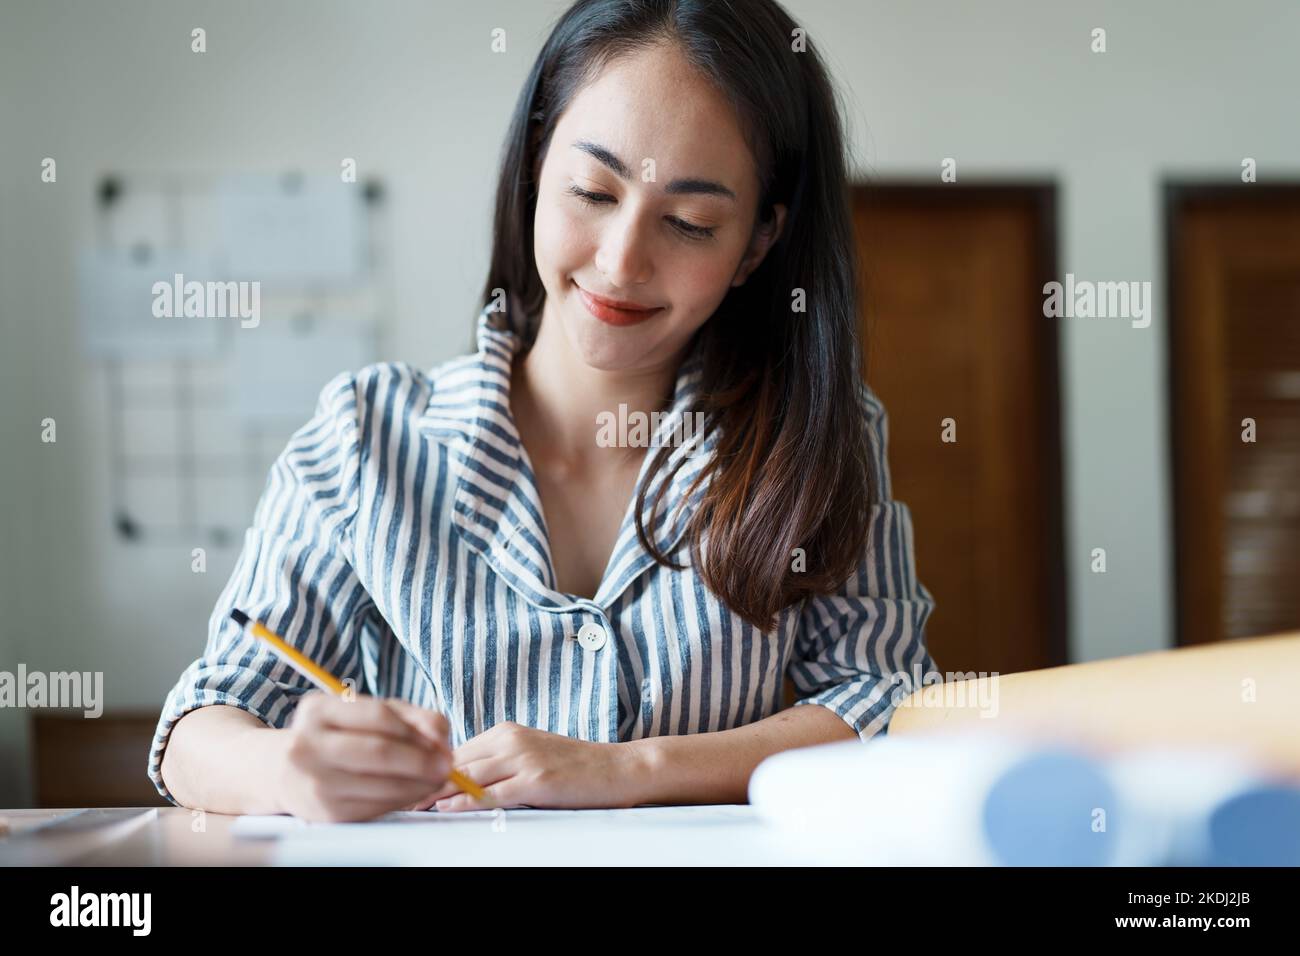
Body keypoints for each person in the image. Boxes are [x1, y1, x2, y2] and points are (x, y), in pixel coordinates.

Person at [151, 0, 936, 822]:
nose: (621, 261)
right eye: (593, 191)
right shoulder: (367, 436)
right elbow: (198, 727)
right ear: (534, 165)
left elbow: (886, 701)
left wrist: (634, 768)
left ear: (759, 243)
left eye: (690, 222)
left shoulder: (813, 439)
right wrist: (286, 770)